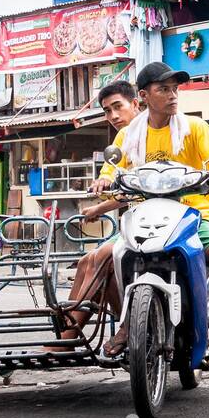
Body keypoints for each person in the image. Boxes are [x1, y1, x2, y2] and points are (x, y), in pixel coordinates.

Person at [94, 63, 209, 355]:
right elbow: (112, 169)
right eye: (164, 89)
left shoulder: (194, 128)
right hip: (142, 217)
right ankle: (126, 325)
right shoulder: (128, 136)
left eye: (175, 89)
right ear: (144, 96)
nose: (173, 95)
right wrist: (103, 180)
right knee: (112, 258)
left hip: (192, 215)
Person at [59, 81, 144, 348]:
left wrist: (102, 206)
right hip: (135, 219)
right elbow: (120, 185)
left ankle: (69, 337)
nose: (114, 116)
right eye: (108, 111)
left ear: (136, 103)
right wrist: (99, 201)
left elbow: (140, 189)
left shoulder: (158, 131)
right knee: (86, 261)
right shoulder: (122, 139)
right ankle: (66, 330)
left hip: (158, 219)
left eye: (118, 107)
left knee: (101, 258)